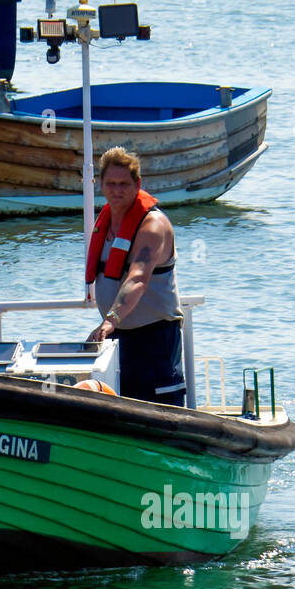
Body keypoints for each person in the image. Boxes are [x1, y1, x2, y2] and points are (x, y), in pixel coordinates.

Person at [85, 147, 186, 406]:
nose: (117, 191)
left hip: (154, 339)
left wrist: (110, 320)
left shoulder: (153, 226)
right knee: (121, 406)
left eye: (124, 184)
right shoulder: (105, 221)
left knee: (161, 412)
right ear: (101, 184)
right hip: (118, 339)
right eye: (111, 184)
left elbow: (138, 278)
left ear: (137, 184)